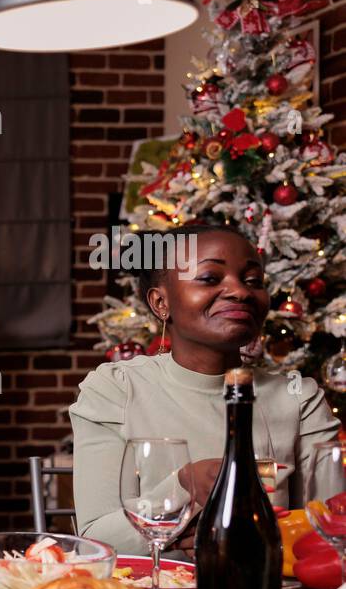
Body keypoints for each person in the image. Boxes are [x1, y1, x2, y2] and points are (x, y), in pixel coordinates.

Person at [70, 224, 340, 555]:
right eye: (210, 278)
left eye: (253, 281)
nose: (240, 292)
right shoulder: (116, 390)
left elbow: (332, 529)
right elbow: (94, 543)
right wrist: (185, 485)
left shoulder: (300, 397)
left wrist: (233, 536)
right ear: (161, 303)